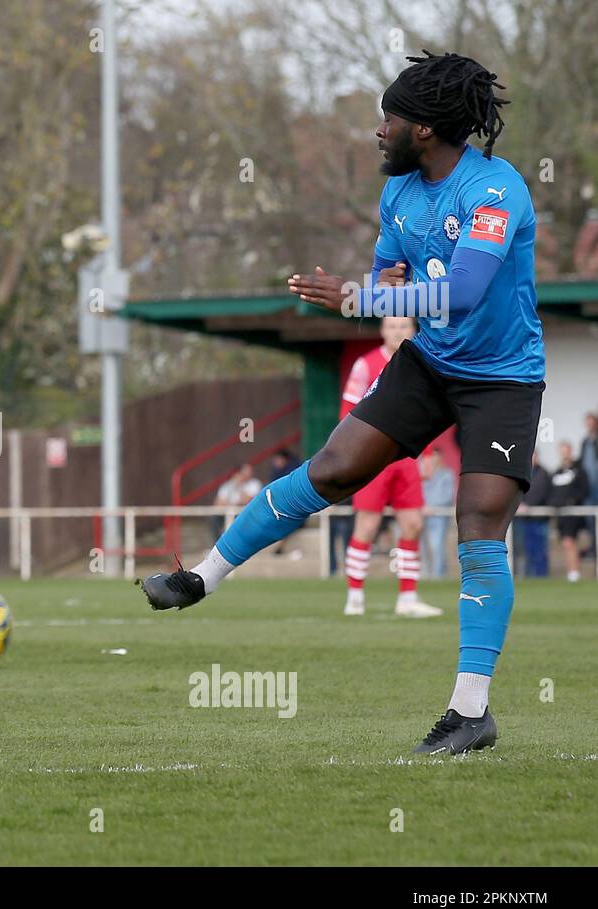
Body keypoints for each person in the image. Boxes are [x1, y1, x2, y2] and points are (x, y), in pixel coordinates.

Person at [142, 52, 542, 755]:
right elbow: (390, 277)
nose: (375, 132)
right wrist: (366, 290)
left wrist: (364, 297)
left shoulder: (497, 189)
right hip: (432, 361)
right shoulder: (399, 194)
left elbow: (466, 291)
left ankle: (471, 711)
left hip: (505, 376)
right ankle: (201, 578)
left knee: (479, 516)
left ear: (422, 128)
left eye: (385, 120)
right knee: (332, 469)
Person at [339, 315, 442, 617]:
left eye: (404, 327)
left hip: (407, 456)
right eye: (392, 326)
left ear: (413, 330)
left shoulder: (424, 364)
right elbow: (348, 410)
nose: (398, 331)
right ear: (383, 330)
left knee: (412, 524)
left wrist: (430, 451)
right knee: (367, 526)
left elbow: (431, 411)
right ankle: (354, 596)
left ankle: (408, 599)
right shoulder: (365, 364)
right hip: (373, 458)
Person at [548, 441, 590, 582]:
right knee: (567, 543)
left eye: (566, 451)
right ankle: (573, 571)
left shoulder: (579, 471)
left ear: (571, 452)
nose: (564, 454)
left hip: (574, 513)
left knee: (570, 542)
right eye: (562, 451)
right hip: (561, 515)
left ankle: (574, 573)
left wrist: (571, 500)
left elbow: (585, 490)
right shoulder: (557, 472)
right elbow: (552, 493)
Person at [514, 450, 551, 578]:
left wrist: (527, 504)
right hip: (524, 520)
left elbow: (540, 492)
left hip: (538, 519)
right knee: (525, 549)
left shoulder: (543, 473)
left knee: (539, 550)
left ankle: (541, 575)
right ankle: (528, 576)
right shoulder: (522, 473)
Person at [420, 447, 455, 578]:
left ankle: (437, 575)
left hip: (438, 515)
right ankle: (423, 573)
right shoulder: (421, 473)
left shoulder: (447, 474)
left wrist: (432, 507)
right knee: (421, 546)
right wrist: (422, 506)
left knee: (436, 545)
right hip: (421, 513)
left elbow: (448, 496)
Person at [212, 463, 260, 540]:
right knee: (214, 518)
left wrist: (240, 486)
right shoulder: (228, 485)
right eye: (245, 472)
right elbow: (218, 503)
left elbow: (247, 501)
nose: (248, 474)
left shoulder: (254, 483)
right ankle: (218, 543)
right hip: (227, 512)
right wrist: (234, 485)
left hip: (244, 512)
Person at [579, 412, 598, 558]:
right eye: (588, 423)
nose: (589, 425)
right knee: (590, 521)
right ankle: (593, 548)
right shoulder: (585, 442)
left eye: (592, 422)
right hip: (588, 489)